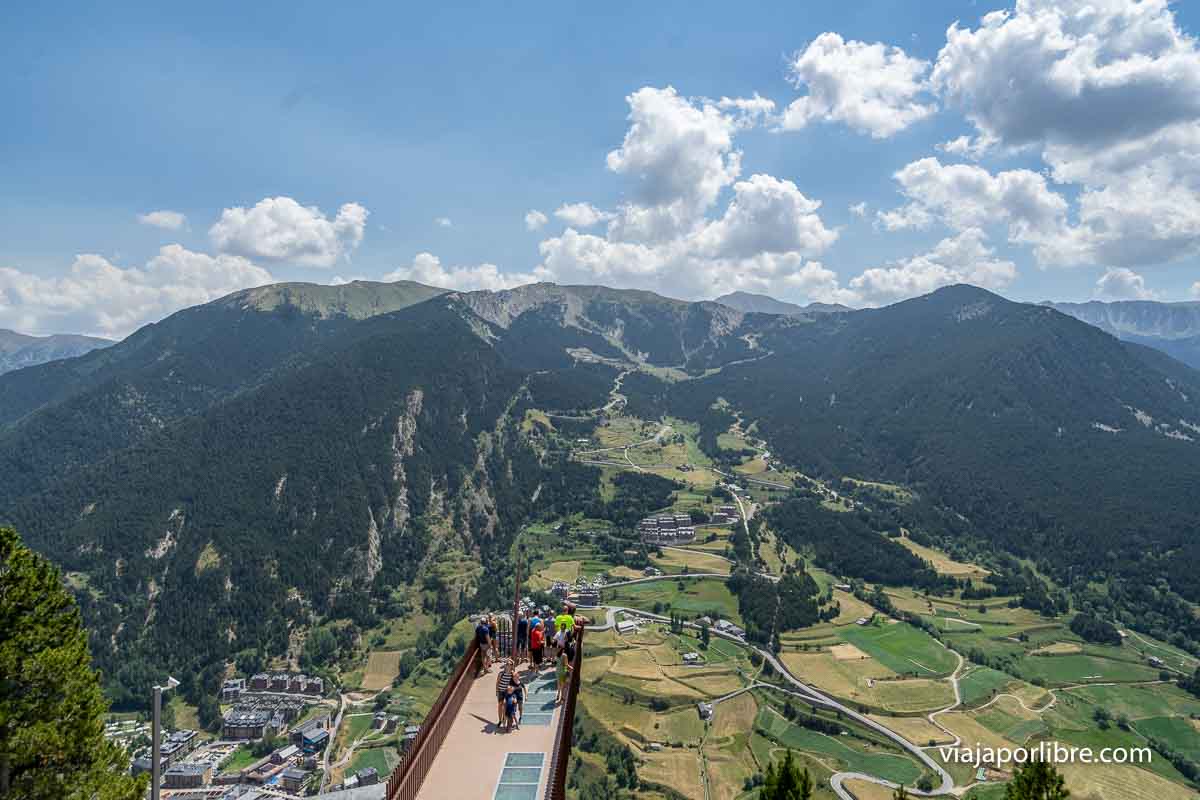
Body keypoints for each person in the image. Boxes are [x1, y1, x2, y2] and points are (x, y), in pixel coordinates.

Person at [495, 658, 513, 727]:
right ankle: (500, 720)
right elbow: (497, 683)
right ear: (505, 666)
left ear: (511, 666)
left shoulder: (512, 674)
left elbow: (514, 682)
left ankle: (504, 718)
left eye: (510, 664)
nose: (508, 665)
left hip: (507, 692)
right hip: (500, 691)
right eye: (507, 664)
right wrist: (496, 691)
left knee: (505, 705)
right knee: (500, 705)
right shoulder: (501, 673)